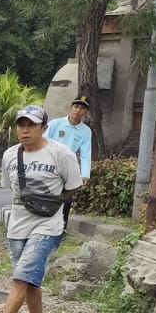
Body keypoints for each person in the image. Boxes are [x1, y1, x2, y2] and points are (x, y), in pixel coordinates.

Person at [0, 104, 82, 313]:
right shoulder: (10, 155)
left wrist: (50, 204)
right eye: (21, 125)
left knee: (21, 277)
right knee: (30, 280)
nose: (25, 131)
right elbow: (10, 187)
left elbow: (73, 186)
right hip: (18, 225)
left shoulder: (61, 154)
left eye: (32, 126)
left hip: (48, 225)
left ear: (44, 128)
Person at [47, 95, 93, 225]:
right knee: (48, 195)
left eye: (82, 108)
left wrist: (85, 173)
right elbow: (43, 141)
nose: (78, 110)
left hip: (68, 167)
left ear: (86, 112)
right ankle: (44, 223)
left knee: (67, 198)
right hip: (51, 164)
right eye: (76, 106)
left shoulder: (85, 131)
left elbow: (85, 153)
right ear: (71, 107)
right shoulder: (55, 124)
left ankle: (62, 226)